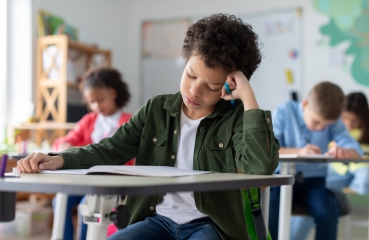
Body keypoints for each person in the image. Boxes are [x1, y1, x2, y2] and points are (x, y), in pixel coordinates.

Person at [17, 14, 280, 240]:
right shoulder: (156, 110)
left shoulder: (236, 119)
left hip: (212, 226)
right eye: (190, 74)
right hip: (158, 220)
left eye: (211, 87)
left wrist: (247, 97)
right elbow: (110, 149)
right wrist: (59, 159)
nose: (194, 90)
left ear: (229, 84)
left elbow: (260, 167)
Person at [269, 82, 363, 240]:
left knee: (326, 210)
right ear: (305, 104)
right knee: (271, 212)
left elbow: (355, 151)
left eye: (327, 125)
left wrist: (345, 151)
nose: (321, 128)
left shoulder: (332, 120)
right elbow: (267, 149)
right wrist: (299, 152)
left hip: (314, 182)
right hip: (281, 179)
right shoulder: (284, 111)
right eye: (317, 122)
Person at [52, 67, 134, 240]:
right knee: (60, 201)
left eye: (100, 99)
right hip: (84, 181)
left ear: (113, 93)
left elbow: (129, 159)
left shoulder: (128, 122)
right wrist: (65, 145)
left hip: (110, 184)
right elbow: (62, 142)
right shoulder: (90, 120)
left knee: (88, 206)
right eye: (91, 102)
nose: (96, 106)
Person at [289, 92, 369, 240]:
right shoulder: (332, 127)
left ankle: (334, 195)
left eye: (355, 121)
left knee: (364, 176)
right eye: (345, 118)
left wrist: (350, 153)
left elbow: (356, 154)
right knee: (313, 206)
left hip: (354, 171)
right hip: (334, 172)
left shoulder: (355, 135)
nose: (349, 124)